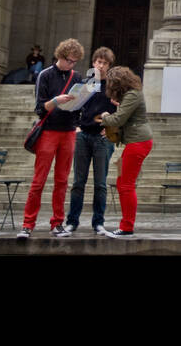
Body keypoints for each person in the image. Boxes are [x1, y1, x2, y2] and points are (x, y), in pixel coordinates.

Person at [18, 38, 84, 239]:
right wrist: (55, 102)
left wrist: (79, 113)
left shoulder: (76, 76)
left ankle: (57, 223)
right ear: (59, 56)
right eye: (69, 60)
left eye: (74, 61)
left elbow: (79, 105)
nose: (71, 65)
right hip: (49, 130)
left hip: (69, 131)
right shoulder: (45, 75)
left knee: (62, 181)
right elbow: (39, 108)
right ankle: (28, 224)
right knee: (38, 181)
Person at [97, 66, 154, 238]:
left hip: (138, 142)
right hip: (136, 142)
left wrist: (103, 117)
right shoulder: (131, 95)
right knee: (123, 183)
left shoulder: (132, 95)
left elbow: (119, 119)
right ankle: (126, 224)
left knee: (126, 185)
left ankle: (127, 226)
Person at [65, 46, 116, 237]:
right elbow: (74, 107)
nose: (101, 66)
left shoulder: (112, 86)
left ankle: (98, 223)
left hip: (103, 138)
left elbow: (120, 111)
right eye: (98, 62)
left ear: (109, 66)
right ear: (93, 63)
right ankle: (72, 222)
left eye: (105, 63)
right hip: (83, 135)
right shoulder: (87, 84)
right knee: (78, 181)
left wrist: (111, 128)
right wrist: (77, 126)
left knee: (100, 184)